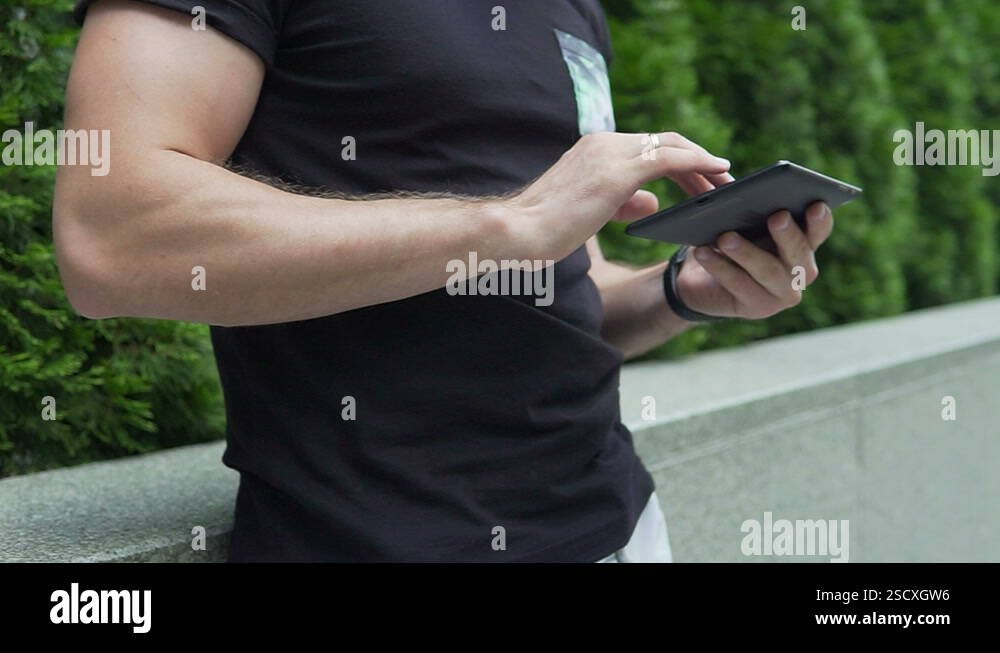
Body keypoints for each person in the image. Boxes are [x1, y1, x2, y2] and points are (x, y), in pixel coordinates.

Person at [56, 0, 834, 562]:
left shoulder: (574, 9)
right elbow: (111, 229)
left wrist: (682, 291)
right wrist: (507, 224)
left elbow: (570, 288)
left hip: (620, 524)